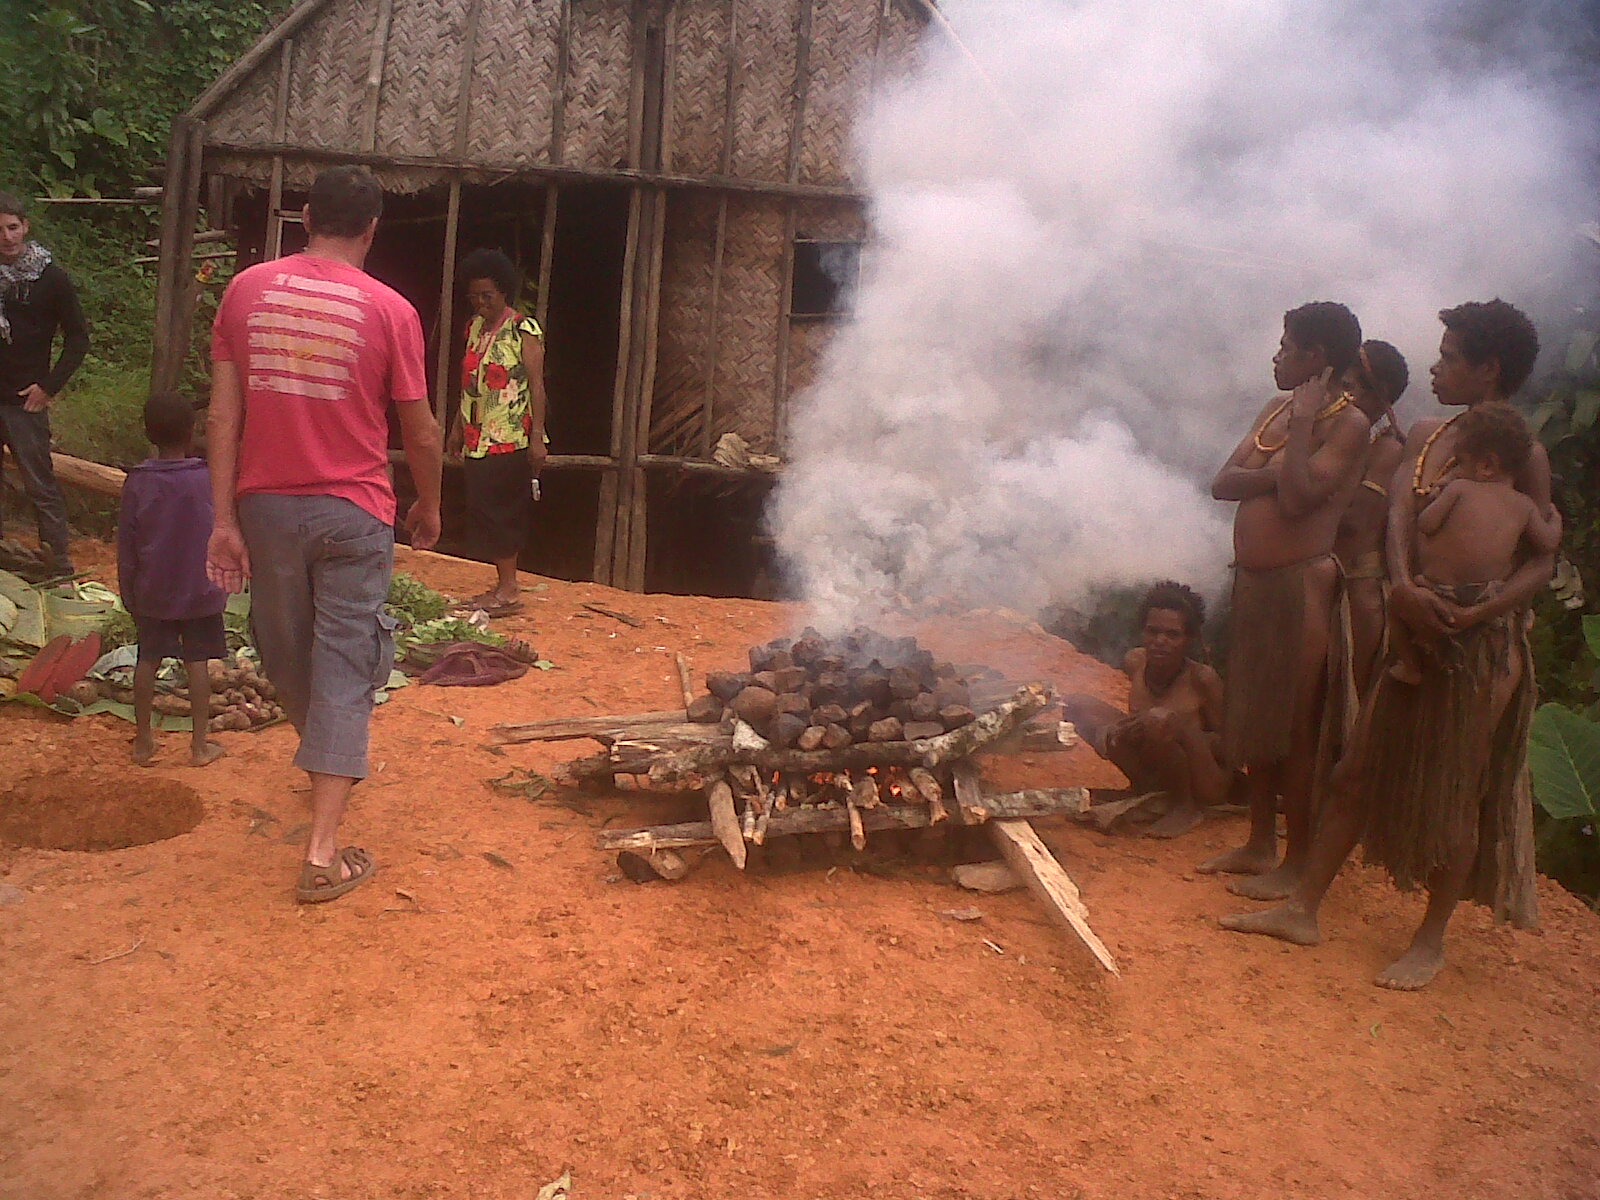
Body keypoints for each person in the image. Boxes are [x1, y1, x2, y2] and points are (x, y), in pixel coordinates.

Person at [1223, 300, 1556, 990]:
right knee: (1354, 772)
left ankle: (1430, 940)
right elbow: (1400, 515)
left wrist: (1477, 612)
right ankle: (1302, 909)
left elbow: (1540, 561)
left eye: (1450, 357)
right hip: (1413, 631)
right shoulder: (1430, 435)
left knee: (1457, 789)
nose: (1435, 367)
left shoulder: (1523, 454)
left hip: (1479, 648)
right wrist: (1403, 587)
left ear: (1489, 369)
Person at [206, 165, 442, 905]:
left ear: (305, 217)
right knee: (344, 657)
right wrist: (429, 506)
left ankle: (326, 775)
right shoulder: (392, 310)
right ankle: (322, 849)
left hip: (267, 509)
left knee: (285, 651)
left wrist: (222, 521)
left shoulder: (246, 292)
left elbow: (222, 416)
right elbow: (420, 430)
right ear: (372, 228)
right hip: (356, 511)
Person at [1202, 302, 1371, 899]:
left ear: (1315, 355)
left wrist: (1298, 432)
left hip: (1301, 585)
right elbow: (1222, 482)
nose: (1276, 356)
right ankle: (1258, 844)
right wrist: (1279, 469)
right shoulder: (1274, 410)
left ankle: (1297, 861)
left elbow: (1299, 500)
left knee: (1297, 729)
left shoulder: (1349, 424)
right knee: (1256, 716)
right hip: (1256, 584)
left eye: (1286, 346)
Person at [1387, 403, 1558, 683]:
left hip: (1437, 590)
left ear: (1486, 465)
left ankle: (1411, 666)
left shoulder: (1459, 488)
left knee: (1396, 603)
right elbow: (1547, 544)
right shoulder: (1525, 506)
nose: (1456, 469)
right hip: (1484, 596)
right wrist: (1555, 522)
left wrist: (1436, 496)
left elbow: (1426, 524)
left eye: (1460, 462)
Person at [1060, 581, 1228, 838]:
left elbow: (1229, 749)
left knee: (1159, 721)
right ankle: (1143, 789)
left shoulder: (1203, 679)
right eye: (1152, 631)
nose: (1160, 641)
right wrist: (1123, 728)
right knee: (1077, 705)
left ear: (1189, 639)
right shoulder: (1136, 661)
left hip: (1204, 783)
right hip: (1153, 767)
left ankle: (1184, 806)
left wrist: (1182, 730)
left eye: (1172, 635)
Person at [118, 393, 228, 768]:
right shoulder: (207, 478)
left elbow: (127, 542)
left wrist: (128, 590)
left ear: (148, 433)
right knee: (197, 662)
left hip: (153, 590)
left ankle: (143, 742)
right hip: (200, 588)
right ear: (192, 431)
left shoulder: (137, 482)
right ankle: (199, 746)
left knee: (147, 659)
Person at [445, 247, 548, 617]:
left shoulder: (523, 330)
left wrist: (537, 437)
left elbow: (536, 387)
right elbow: (470, 385)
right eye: (474, 296)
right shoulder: (474, 328)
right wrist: (457, 428)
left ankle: (509, 589)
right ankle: (502, 584)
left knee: (502, 511)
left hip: (509, 436)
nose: (480, 303)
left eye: (487, 295)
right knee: (484, 509)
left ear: (504, 291)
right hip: (478, 437)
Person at [0, 191, 89, 580]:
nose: (6, 237)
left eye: (12, 227)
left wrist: (49, 387)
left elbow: (78, 338)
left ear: (25, 227)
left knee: (40, 484)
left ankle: (58, 564)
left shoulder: (50, 278)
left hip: (24, 401)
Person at [1331, 340, 1409, 695]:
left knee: (1349, 698)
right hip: (1326, 584)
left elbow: (1353, 522)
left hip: (1357, 592)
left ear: (1379, 397)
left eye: (1348, 385)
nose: (1340, 394)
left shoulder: (1387, 448)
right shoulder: (1341, 440)